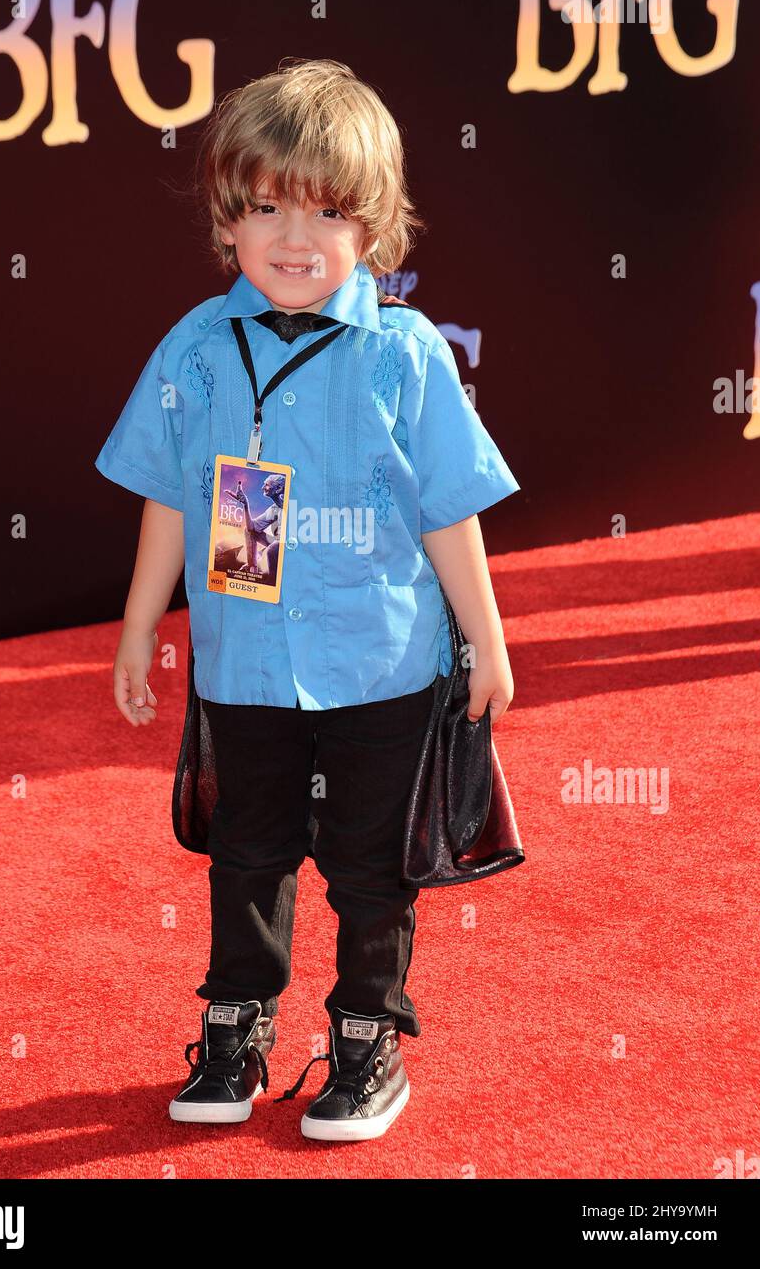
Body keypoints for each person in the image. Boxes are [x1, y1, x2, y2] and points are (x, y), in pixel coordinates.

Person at [94, 57, 521, 1143]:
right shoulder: (194, 347)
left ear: (373, 228)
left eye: (328, 211)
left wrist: (487, 640)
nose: (295, 235)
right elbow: (169, 500)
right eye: (267, 205)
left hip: (382, 659)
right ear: (227, 217)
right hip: (244, 661)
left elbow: (449, 512)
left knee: (373, 862)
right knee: (247, 853)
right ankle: (235, 1026)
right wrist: (143, 623)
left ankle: (369, 1039)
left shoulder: (405, 354)